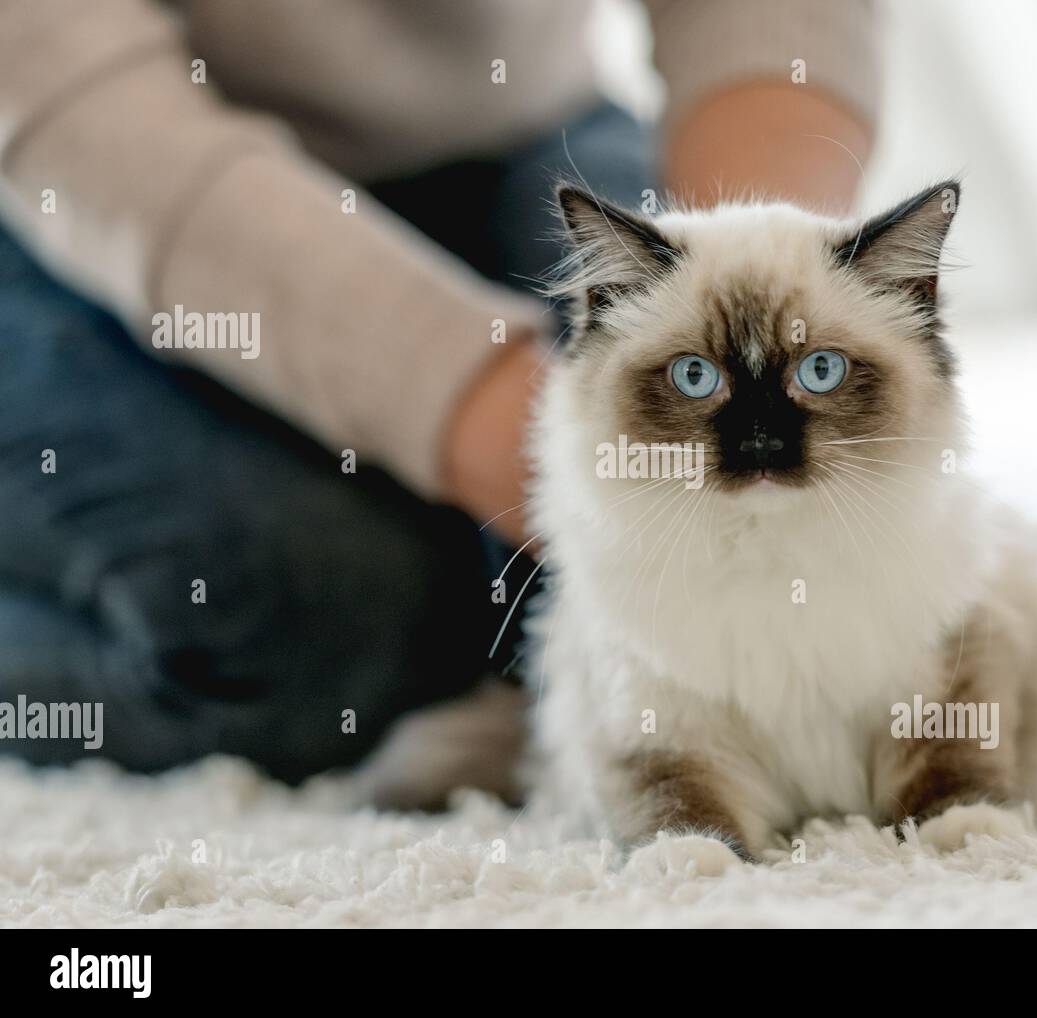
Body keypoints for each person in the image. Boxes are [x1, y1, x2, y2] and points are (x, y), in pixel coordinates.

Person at [0, 0, 874, 782]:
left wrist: (775, 298)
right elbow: (68, 92)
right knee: (319, 623)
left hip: (516, 125)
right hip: (70, 168)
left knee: (563, 592)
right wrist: (527, 450)